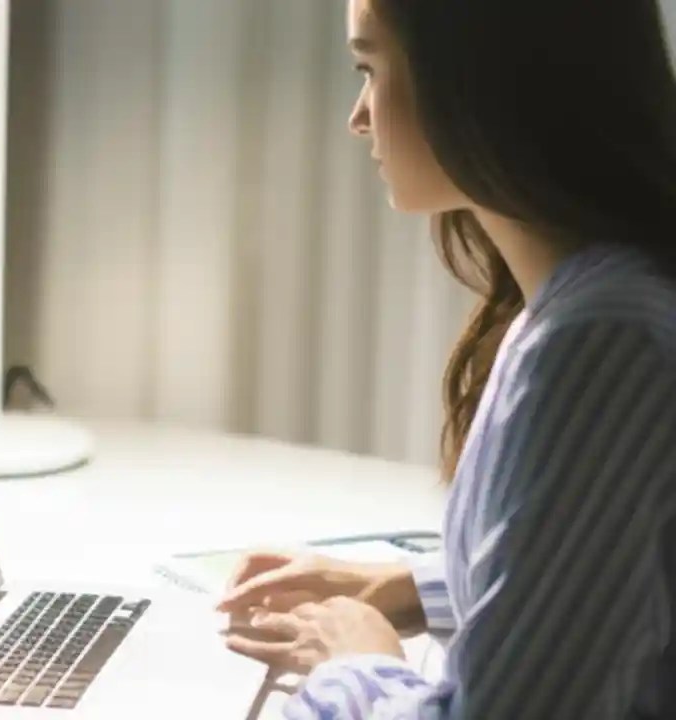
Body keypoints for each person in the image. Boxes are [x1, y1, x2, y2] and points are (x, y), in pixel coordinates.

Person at [215, 0, 676, 717]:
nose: (358, 117)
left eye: (370, 68)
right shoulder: (584, 304)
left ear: (477, 79)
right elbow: (604, 582)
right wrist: (408, 588)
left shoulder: (602, 341)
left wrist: (356, 664)